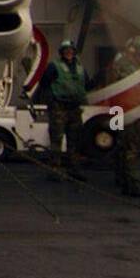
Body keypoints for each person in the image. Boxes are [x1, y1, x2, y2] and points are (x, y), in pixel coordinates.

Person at [105, 36, 140, 198]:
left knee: (123, 145)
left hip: (120, 109)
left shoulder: (124, 62)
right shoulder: (127, 64)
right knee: (132, 148)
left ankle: (123, 180)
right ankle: (133, 185)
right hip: (128, 111)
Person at [35, 38, 92, 181]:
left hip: (75, 109)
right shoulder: (54, 66)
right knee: (56, 140)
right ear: (62, 52)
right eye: (66, 50)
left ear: (74, 52)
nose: (68, 52)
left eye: (70, 50)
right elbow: (44, 83)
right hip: (59, 108)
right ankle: (55, 170)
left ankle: (74, 169)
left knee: (75, 141)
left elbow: (88, 84)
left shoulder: (80, 68)